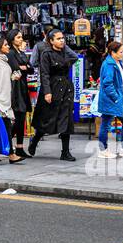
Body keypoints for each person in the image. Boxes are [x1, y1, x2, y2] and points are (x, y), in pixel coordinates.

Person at [31, 28, 78, 161]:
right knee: (47, 119)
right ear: (51, 41)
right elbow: (44, 74)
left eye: (62, 38)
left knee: (66, 119)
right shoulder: (46, 54)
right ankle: (35, 139)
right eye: (58, 39)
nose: (62, 40)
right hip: (52, 87)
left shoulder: (65, 52)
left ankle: (65, 151)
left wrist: (65, 48)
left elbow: (74, 58)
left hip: (66, 87)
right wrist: (47, 92)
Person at [97, 40, 123, 159]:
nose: (122, 54)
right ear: (112, 52)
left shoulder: (118, 62)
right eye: (120, 52)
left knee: (121, 122)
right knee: (106, 124)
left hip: (115, 98)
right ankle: (104, 150)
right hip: (111, 99)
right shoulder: (109, 64)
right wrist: (116, 97)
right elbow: (107, 83)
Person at [6, 30, 33, 158]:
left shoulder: (21, 53)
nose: (21, 39)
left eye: (21, 37)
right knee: (17, 118)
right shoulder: (11, 53)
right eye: (18, 37)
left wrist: (24, 67)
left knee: (21, 118)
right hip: (15, 88)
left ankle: (19, 147)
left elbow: (30, 68)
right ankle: (7, 143)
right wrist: (24, 67)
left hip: (22, 86)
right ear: (12, 39)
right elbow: (15, 68)